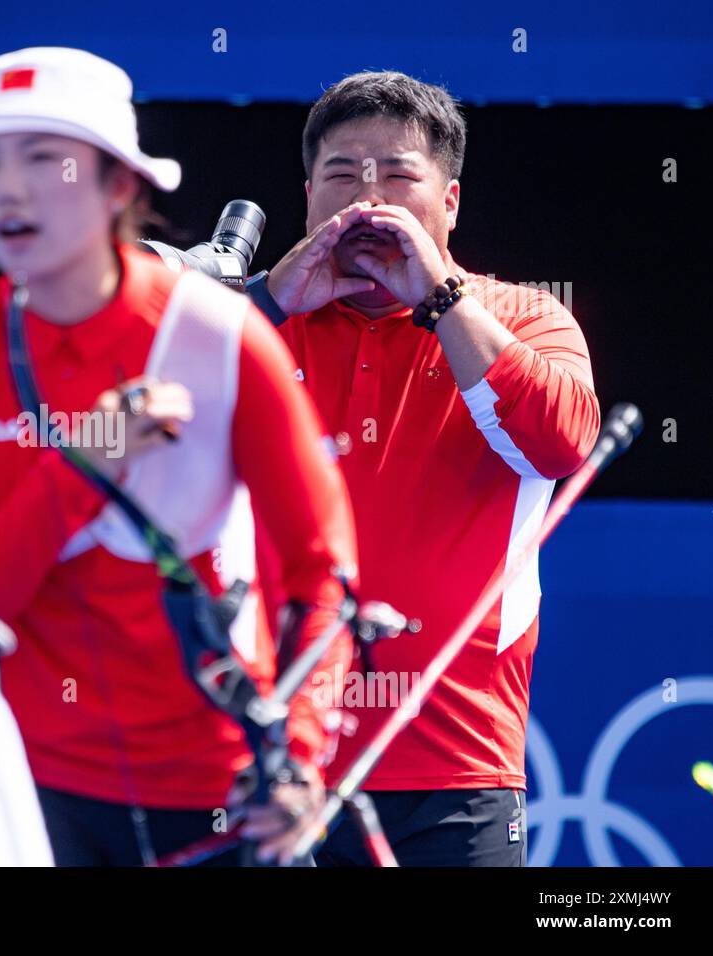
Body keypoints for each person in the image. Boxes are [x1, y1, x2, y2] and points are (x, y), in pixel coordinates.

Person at [0, 46, 358, 866]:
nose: (6, 188)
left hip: (218, 801)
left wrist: (299, 758)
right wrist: (87, 463)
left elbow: (321, 571)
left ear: (120, 184)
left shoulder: (224, 339)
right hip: (17, 798)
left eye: (43, 158)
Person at [248, 70, 600, 866]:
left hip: (456, 762)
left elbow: (563, 443)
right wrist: (268, 302)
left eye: (400, 176)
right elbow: (142, 444)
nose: (368, 198)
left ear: (449, 204)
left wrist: (439, 299)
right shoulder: (250, 322)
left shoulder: (525, 317)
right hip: (269, 761)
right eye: (342, 175)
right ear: (308, 197)